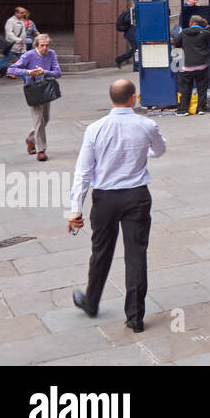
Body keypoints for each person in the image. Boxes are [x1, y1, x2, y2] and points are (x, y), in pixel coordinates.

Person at [68, 78, 166, 334]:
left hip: (105, 198)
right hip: (136, 196)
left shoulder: (95, 128)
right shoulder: (147, 124)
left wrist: (75, 209)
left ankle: (91, 301)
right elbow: (160, 150)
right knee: (136, 255)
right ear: (133, 98)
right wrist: (140, 152)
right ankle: (135, 317)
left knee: (100, 251)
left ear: (111, 99)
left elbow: (83, 172)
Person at [6, 33, 62, 161]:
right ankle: (41, 150)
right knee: (38, 121)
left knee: (45, 119)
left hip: (46, 89)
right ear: (36, 45)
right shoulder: (28, 55)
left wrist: (45, 72)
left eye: (47, 45)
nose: (45, 48)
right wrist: (29, 72)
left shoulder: (52, 54)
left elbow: (58, 73)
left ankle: (30, 139)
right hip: (33, 90)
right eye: (42, 45)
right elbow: (11, 69)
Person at [171, 16, 210, 115]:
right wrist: (208, 26)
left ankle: (183, 110)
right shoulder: (204, 32)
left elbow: (177, 45)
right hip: (202, 65)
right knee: (202, 88)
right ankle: (201, 108)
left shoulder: (183, 33)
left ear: (191, 23)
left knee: (185, 88)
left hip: (187, 66)